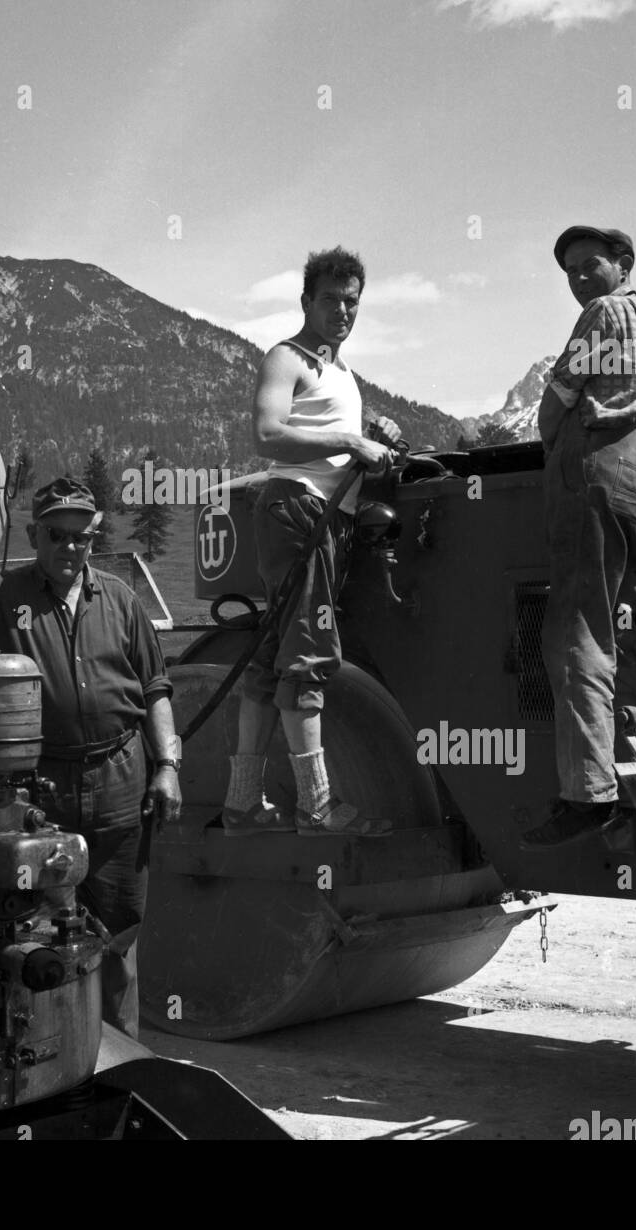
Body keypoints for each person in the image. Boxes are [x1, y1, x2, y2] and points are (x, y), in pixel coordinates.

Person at [0, 476, 180, 1038]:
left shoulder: (122, 601)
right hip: (43, 792)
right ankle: (57, 1060)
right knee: (42, 929)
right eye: (58, 535)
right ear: (34, 534)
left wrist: (168, 766)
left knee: (120, 935)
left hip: (122, 781)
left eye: (83, 536)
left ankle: (120, 1061)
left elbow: (155, 689)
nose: (71, 547)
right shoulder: (4, 594)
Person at [224, 247, 402, 837]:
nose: (344, 310)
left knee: (274, 656)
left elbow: (334, 441)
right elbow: (268, 433)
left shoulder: (343, 374)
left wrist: (369, 437)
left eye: (353, 301)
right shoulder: (288, 357)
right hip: (301, 510)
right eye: (331, 299)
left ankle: (243, 801)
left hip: (322, 514)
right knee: (307, 651)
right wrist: (352, 441)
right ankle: (317, 808)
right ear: (306, 302)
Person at [522, 226, 636, 850]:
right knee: (619, 628)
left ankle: (586, 795)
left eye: (591, 265)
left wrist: (563, 423)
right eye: (571, 272)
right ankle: (629, 762)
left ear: (624, 265)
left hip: (595, 487)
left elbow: (551, 412)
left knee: (572, 636)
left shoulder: (604, 314)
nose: (580, 279)